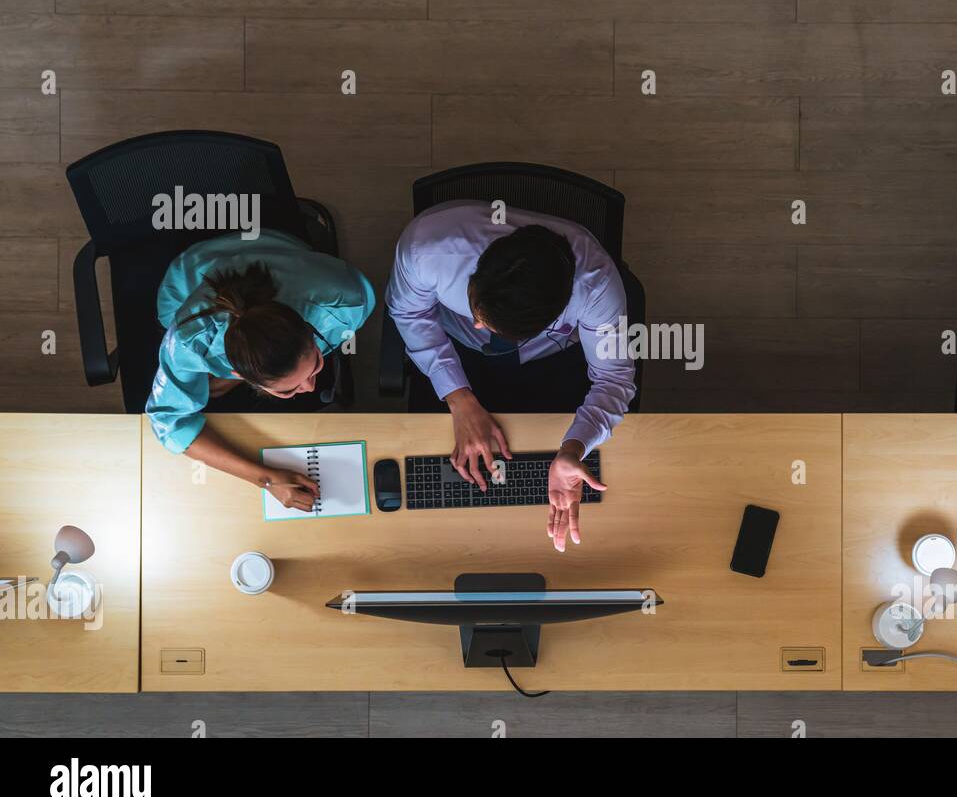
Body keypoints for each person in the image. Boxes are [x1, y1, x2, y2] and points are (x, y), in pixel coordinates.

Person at [386, 200, 637, 553]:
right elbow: (408, 312)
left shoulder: (596, 287)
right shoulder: (426, 248)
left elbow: (614, 380)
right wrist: (457, 396)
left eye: (484, 321)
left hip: (551, 356)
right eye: (476, 308)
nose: (477, 322)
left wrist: (574, 447)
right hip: (454, 347)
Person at [147, 230, 375, 511]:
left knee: (207, 391)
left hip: (281, 248)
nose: (311, 388)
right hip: (190, 276)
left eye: (316, 363)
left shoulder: (346, 300)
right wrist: (265, 479)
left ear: (310, 332)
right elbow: (168, 423)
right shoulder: (188, 341)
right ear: (238, 375)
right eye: (288, 389)